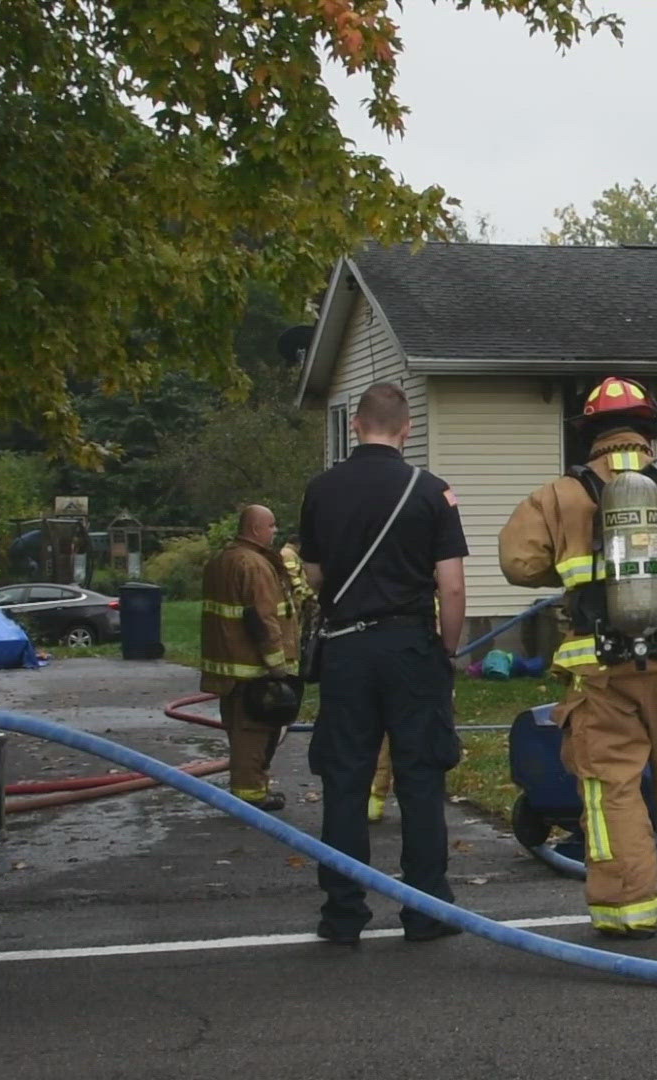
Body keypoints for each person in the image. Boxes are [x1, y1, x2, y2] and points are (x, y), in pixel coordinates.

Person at [499, 376, 657, 939]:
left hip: (600, 668)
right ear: (651, 430)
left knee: (612, 785)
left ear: (589, 434)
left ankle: (627, 909)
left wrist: (577, 577)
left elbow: (517, 563)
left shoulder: (559, 495)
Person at [298, 382, 469, 945]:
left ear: (355, 426)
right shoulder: (431, 492)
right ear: (407, 429)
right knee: (420, 777)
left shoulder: (321, 490)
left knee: (345, 778)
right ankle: (425, 910)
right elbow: (452, 586)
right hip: (411, 646)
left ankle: (342, 912)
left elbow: (315, 575)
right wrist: (447, 650)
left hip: (346, 648)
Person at [199, 505, 300, 811]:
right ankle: (251, 794)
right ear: (255, 529)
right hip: (253, 669)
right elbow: (263, 618)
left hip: (228, 666)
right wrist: (277, 663)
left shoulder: (222, 559)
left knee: (237, 729)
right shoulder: (254, 565)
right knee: (253, 733)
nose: (275, 531)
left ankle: (250, 786)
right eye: (270, 526)